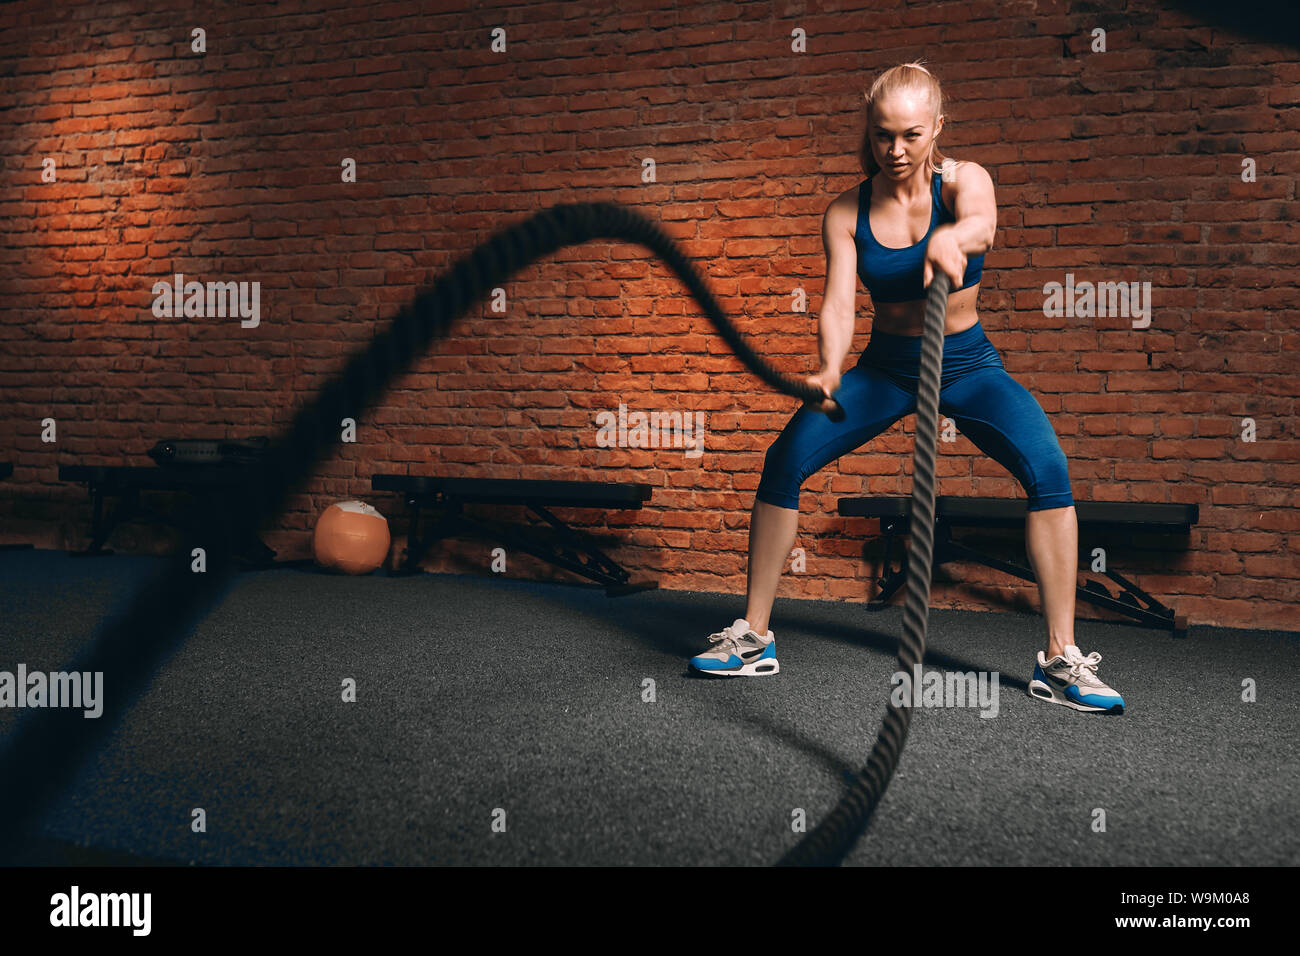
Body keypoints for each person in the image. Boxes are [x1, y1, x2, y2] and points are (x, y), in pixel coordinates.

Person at [690, 61, 1124, 714]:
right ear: (869, 131)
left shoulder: (964, 183)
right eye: (883, 135)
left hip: (967, 365)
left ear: (937, 129)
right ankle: (754, 636)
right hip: (887, 370)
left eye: (911, 136)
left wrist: (952, 237)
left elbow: (984, 224)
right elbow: (838, 304)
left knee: (1048, 468)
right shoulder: (846, 211)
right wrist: (831, 367)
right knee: (785, 460)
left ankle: (1060, 658)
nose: (895, 151)